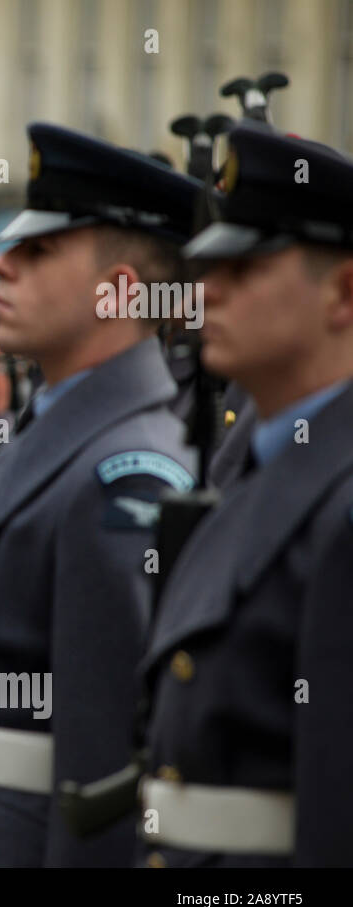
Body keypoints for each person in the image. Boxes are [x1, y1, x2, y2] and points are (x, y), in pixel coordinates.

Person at [0, 123, 198, 867]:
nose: (0, 263)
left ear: (121, 291)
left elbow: (100, 765)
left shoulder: (128, 470)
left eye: (39, 252)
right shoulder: (57, 430)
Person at [138, 122, 353, 867]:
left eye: (247, 268)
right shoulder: (259, 463)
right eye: (205, 266)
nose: (206, 291)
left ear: (344, 291)